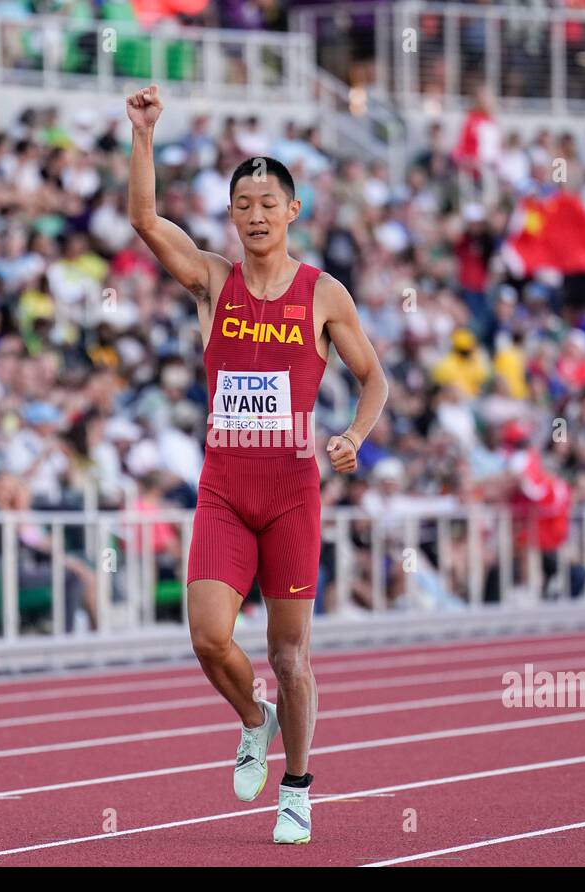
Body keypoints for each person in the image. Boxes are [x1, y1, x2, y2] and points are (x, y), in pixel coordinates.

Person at [126, 84, 388, 845]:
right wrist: (143, 135)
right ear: (233, 214)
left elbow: (373, 377)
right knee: (209, 636)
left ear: (294, 211)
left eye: (270, 201)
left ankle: (299, 787)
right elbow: (145, 220)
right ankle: (253, 717)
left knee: (289, 651)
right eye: (244, 202)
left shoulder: (322, 294)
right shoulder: (214, 279)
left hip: (291, 492)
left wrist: (354, 436)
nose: (257, 213)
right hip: (224, 489)